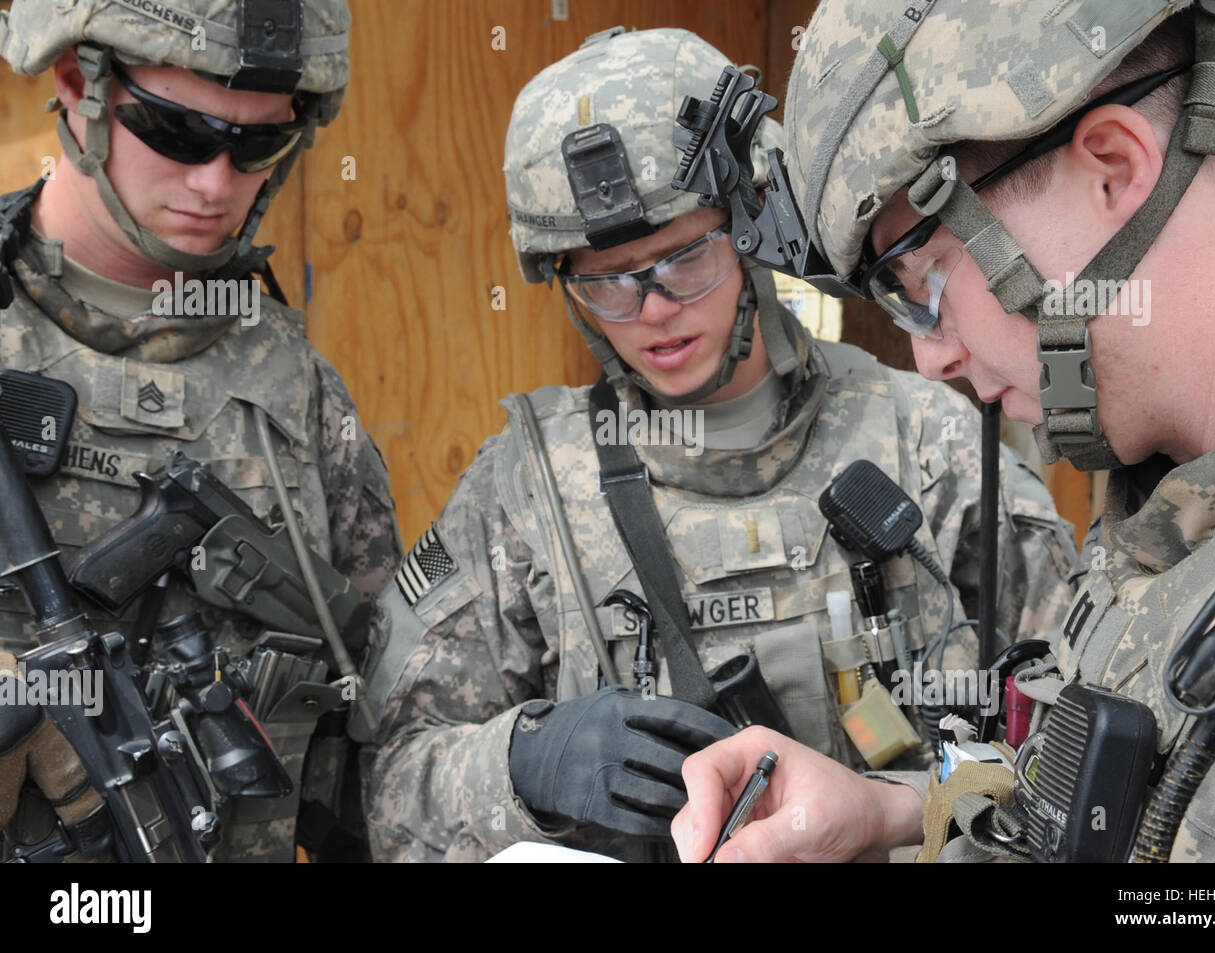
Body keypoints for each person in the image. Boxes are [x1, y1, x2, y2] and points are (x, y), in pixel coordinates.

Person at [363, 25, 1078, 863]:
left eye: (683, 259)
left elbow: (1079, 757)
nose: (654, 308)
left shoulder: (930, 445)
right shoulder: (527, 491)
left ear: (750, 232)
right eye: (607, 282)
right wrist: (520, 763)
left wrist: (900, 807)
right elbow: (383, 788)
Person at [672, 0, 1215, 863]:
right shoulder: (1183, 491)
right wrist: (890, 808)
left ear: (1114, 170)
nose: (930, 359)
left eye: (921, 280)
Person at [0, 0, 401, 862]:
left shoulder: (297, 394)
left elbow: (382, 730)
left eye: (257, 145)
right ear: (78, 83)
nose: (218, 182)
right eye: (178, 132)